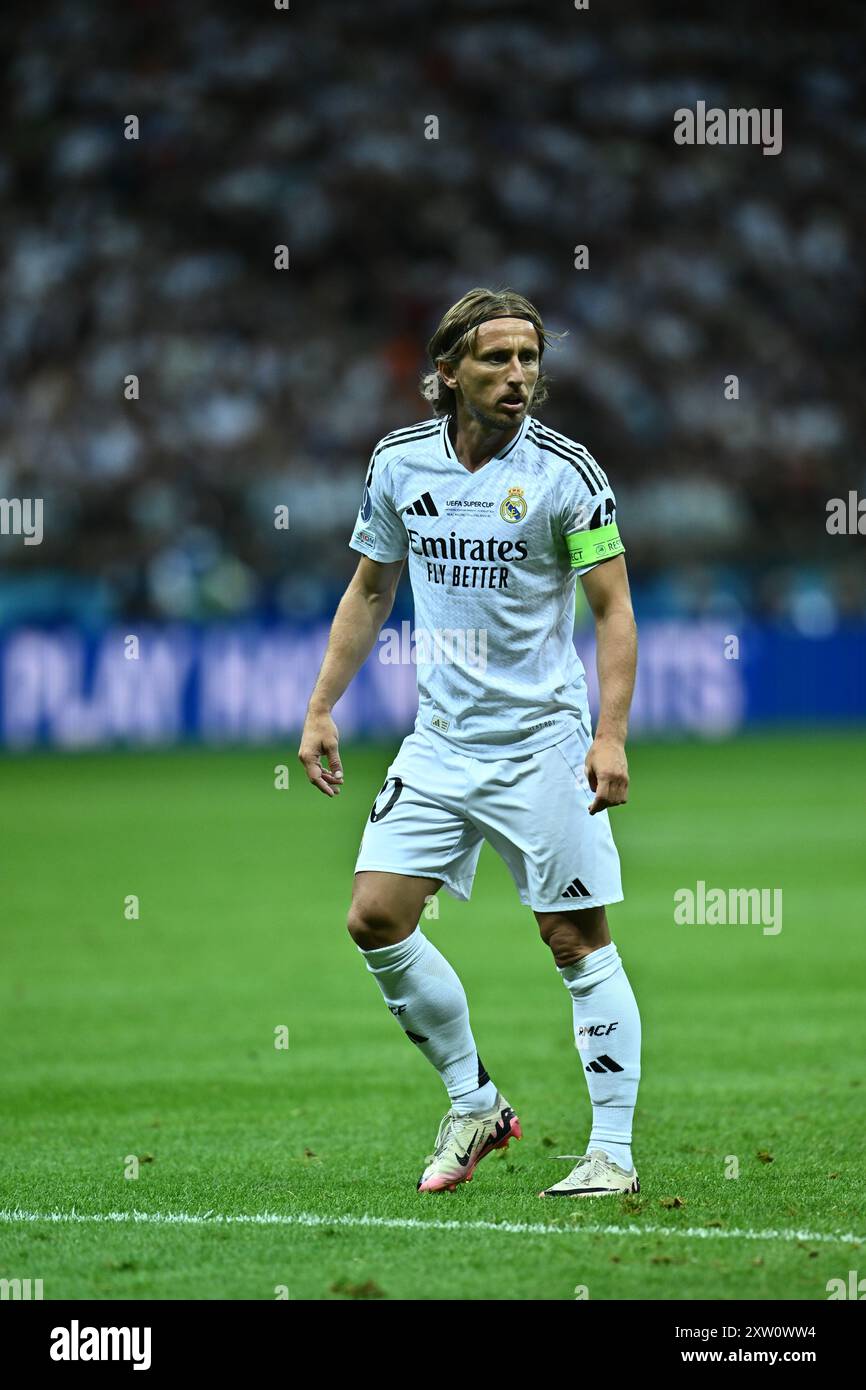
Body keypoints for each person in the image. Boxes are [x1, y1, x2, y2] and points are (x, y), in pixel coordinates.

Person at [298, 287, 641, 1197]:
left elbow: (612, 609)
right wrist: (323, 706)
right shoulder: (400, 465)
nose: (518, 375)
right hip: (442, 742)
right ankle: (475, 1102)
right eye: (496, 359)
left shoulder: (569, 474)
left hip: (541, 743)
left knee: (573, 939)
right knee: (374, 915)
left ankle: (611, 1151)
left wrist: (609, 736)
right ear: (445, 371)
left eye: (529, 358)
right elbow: (371, 588)